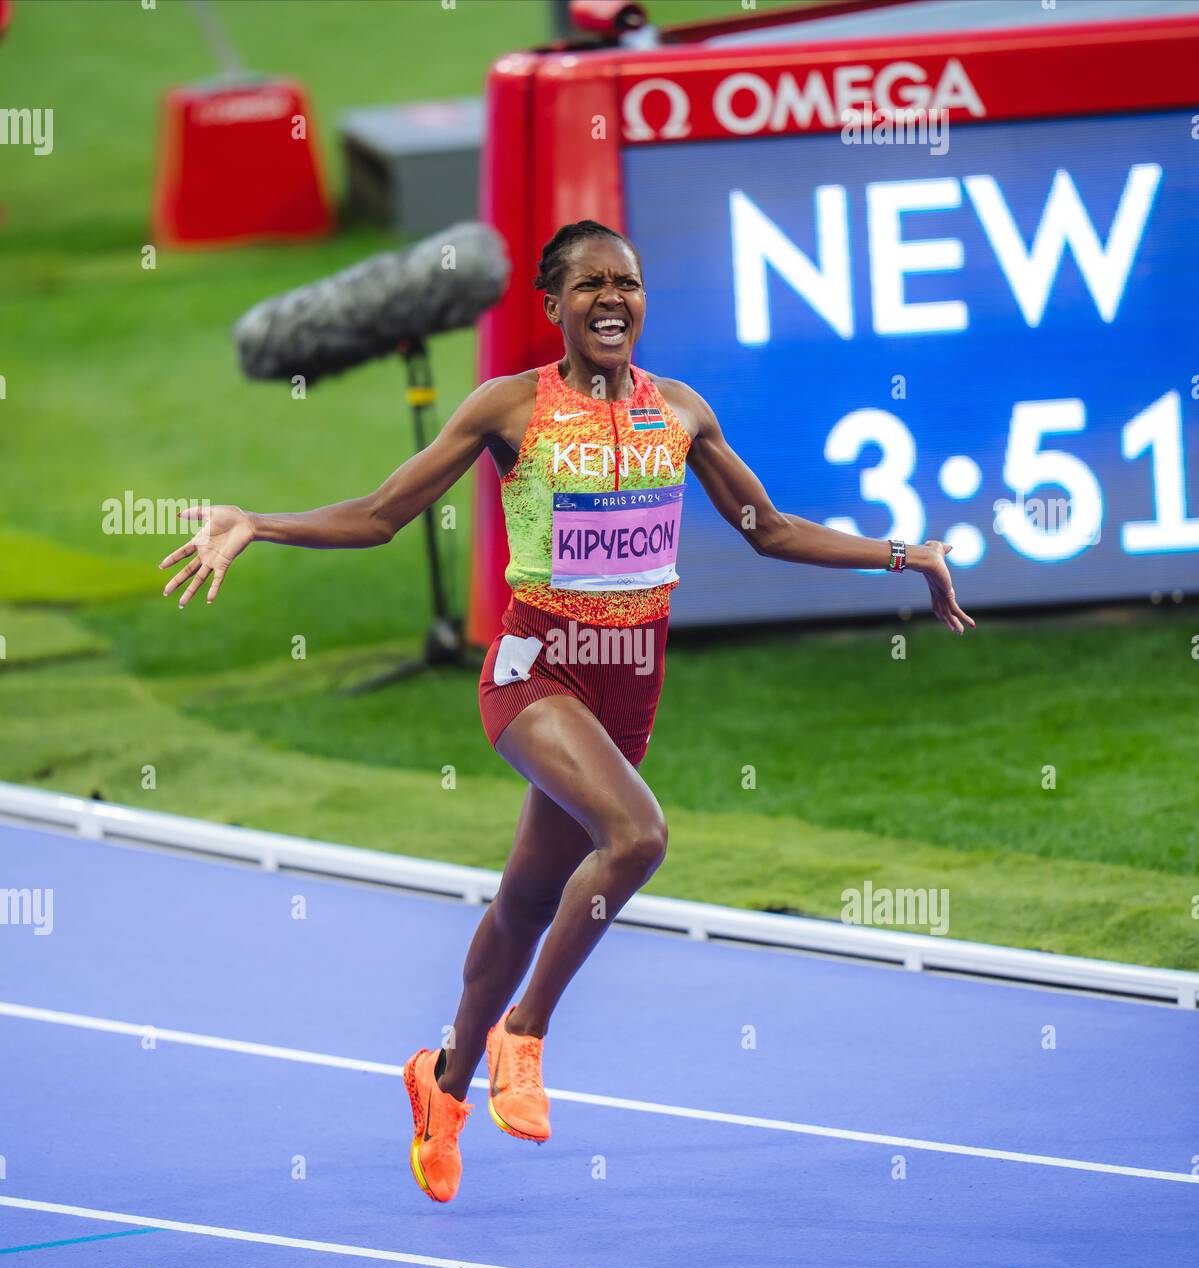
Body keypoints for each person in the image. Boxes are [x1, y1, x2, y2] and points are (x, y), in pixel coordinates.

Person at [160, 218, 975, 1203]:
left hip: (627, 693)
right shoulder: (510, 409)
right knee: (636, 835)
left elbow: (769, 529)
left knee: (524, 903)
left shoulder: (679, 412)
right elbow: (380, 515)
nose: (610, 299)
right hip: (532, 676)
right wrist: (258, 521)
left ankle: (442, 1082)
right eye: (588, 284)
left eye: (625, 283)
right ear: (551, 305)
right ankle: (523, 1034)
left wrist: (907, 554)